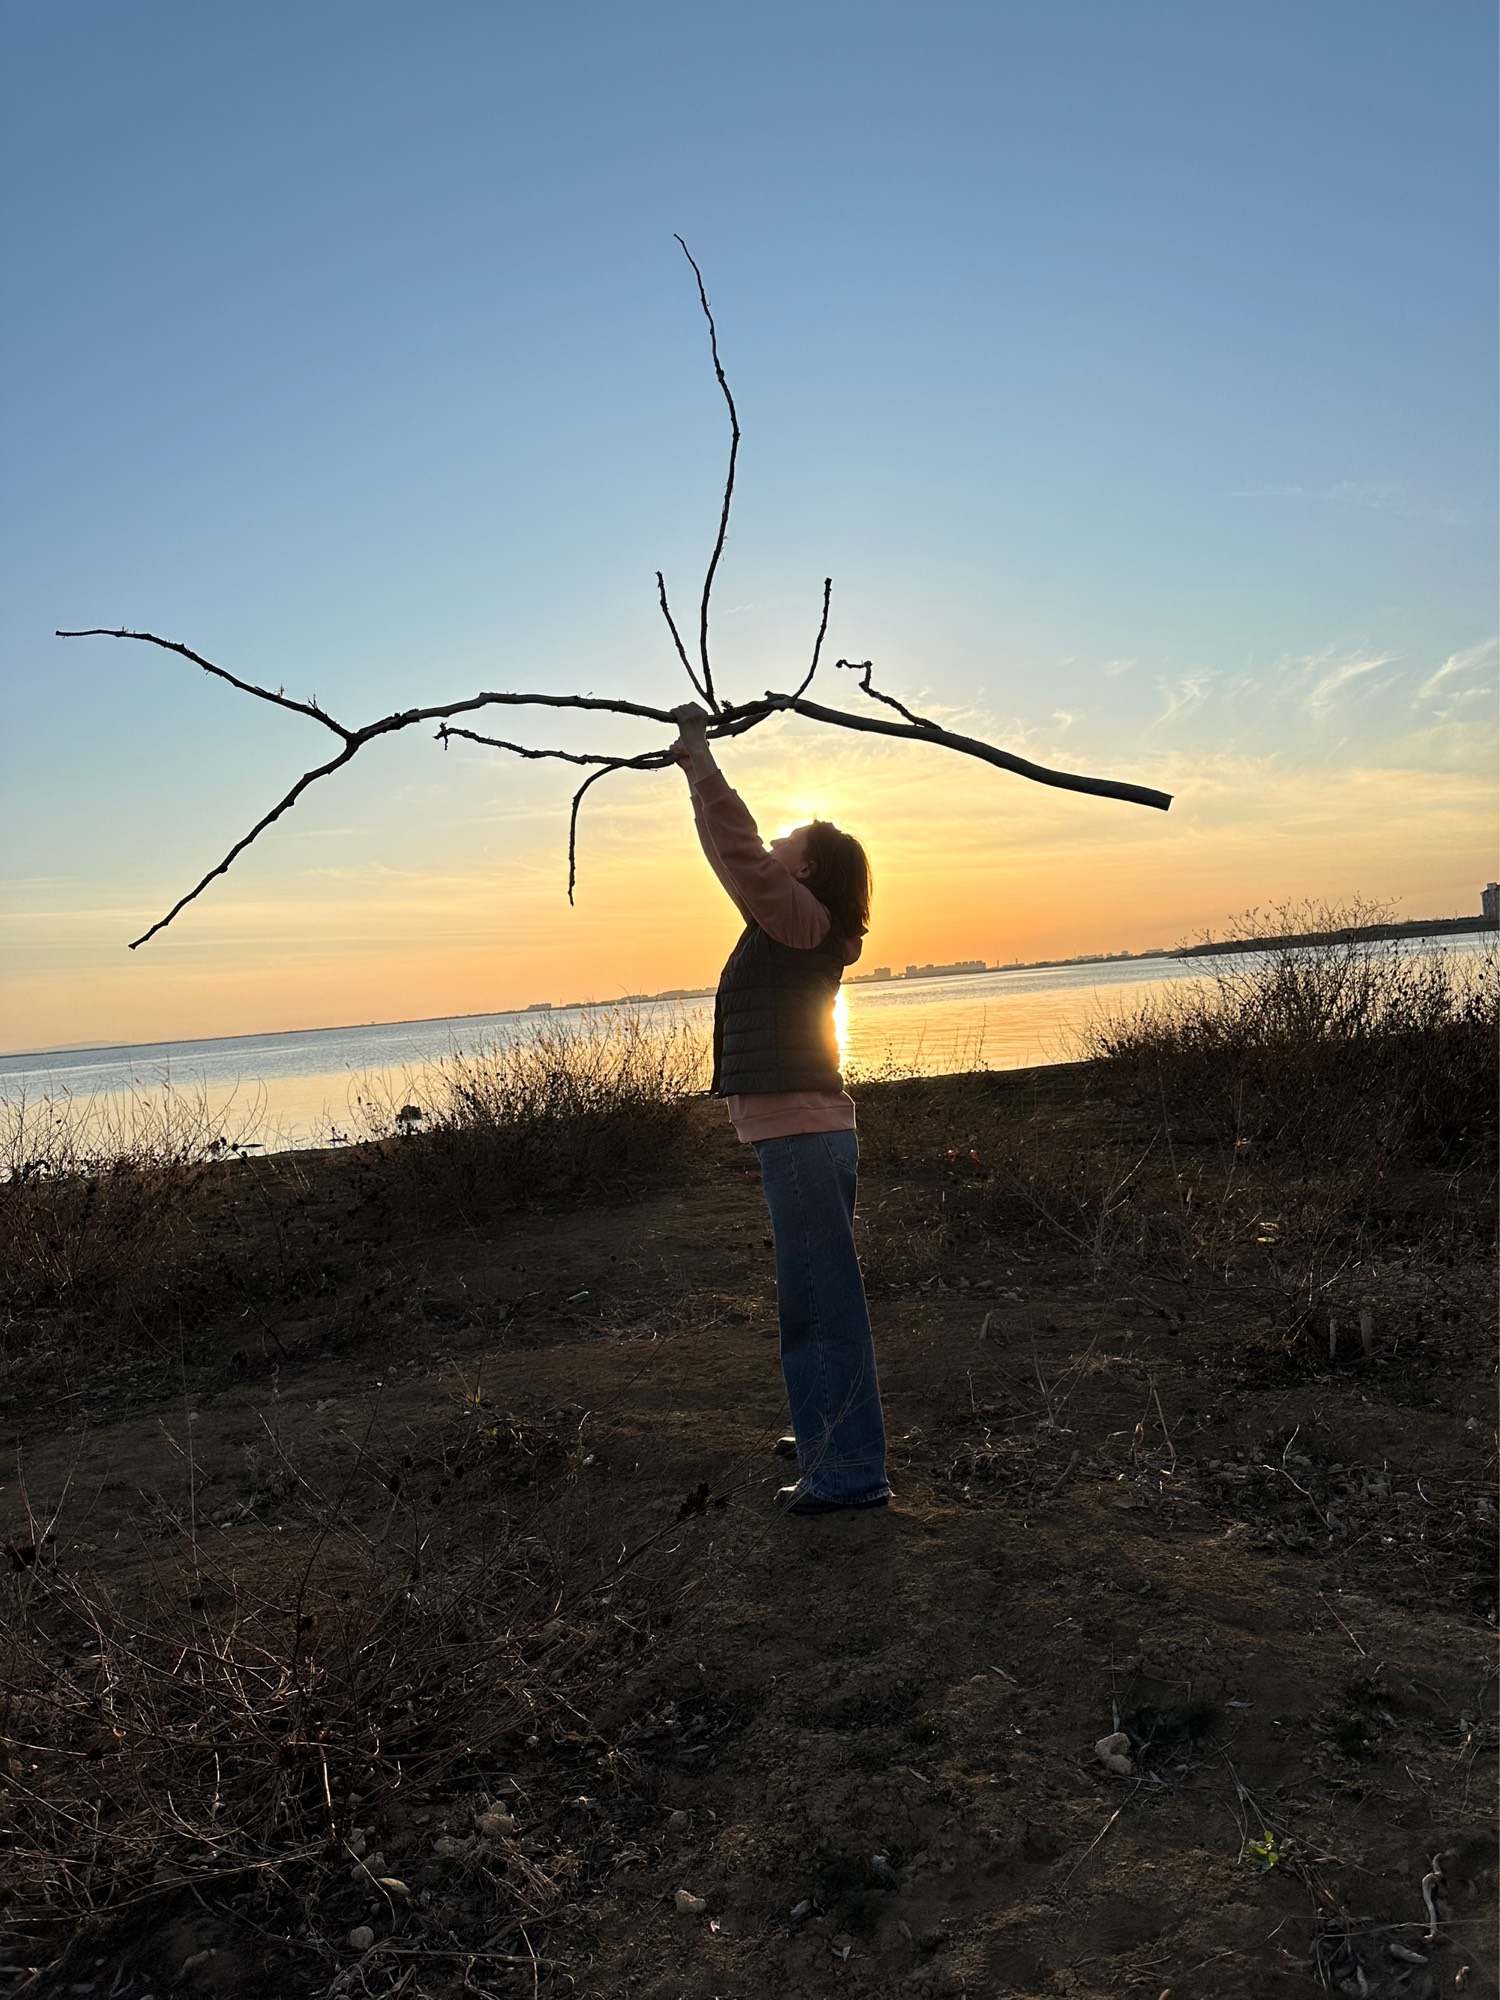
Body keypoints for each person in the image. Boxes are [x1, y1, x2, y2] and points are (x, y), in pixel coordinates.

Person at [670, 702, 892, 1517]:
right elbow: (732, 858)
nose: (769, 852)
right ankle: (831, 1429)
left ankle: (847, 1471)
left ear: (804, 872)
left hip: (804, 1139)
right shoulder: (794, 919)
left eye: (783, 848)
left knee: (818, 1302)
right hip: (803, 1138)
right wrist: (696, 784)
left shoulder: (800, 919)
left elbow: (740, 855)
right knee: (822, 1293)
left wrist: (700, 760)